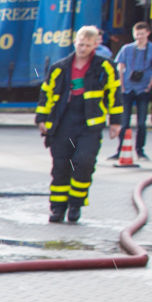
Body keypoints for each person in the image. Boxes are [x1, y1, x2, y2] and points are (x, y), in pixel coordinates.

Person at [35, 26, 121, 223]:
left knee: (83, 162)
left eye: (88, 45)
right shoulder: (60, 67)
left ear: (95, 45)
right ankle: (57, 208)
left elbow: (115, 94)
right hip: (63, 122)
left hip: (89, 124)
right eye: (80, 44)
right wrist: (42, 119)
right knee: (60, 165)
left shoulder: (105, 67)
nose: (83, 48)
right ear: (75, 43)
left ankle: (75, 204)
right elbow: (46, 94)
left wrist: (116, 123)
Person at [111, 21, 152, 159]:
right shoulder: (127, 49)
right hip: (127, 88)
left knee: (141, 122)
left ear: (147, 33)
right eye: (137, 34)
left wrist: (150, 86)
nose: (139, 36)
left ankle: (140, 150)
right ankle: (120, 149)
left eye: (142, 34)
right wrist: (121, 85)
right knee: (125, 121)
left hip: (144, 89)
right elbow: (120, 67)